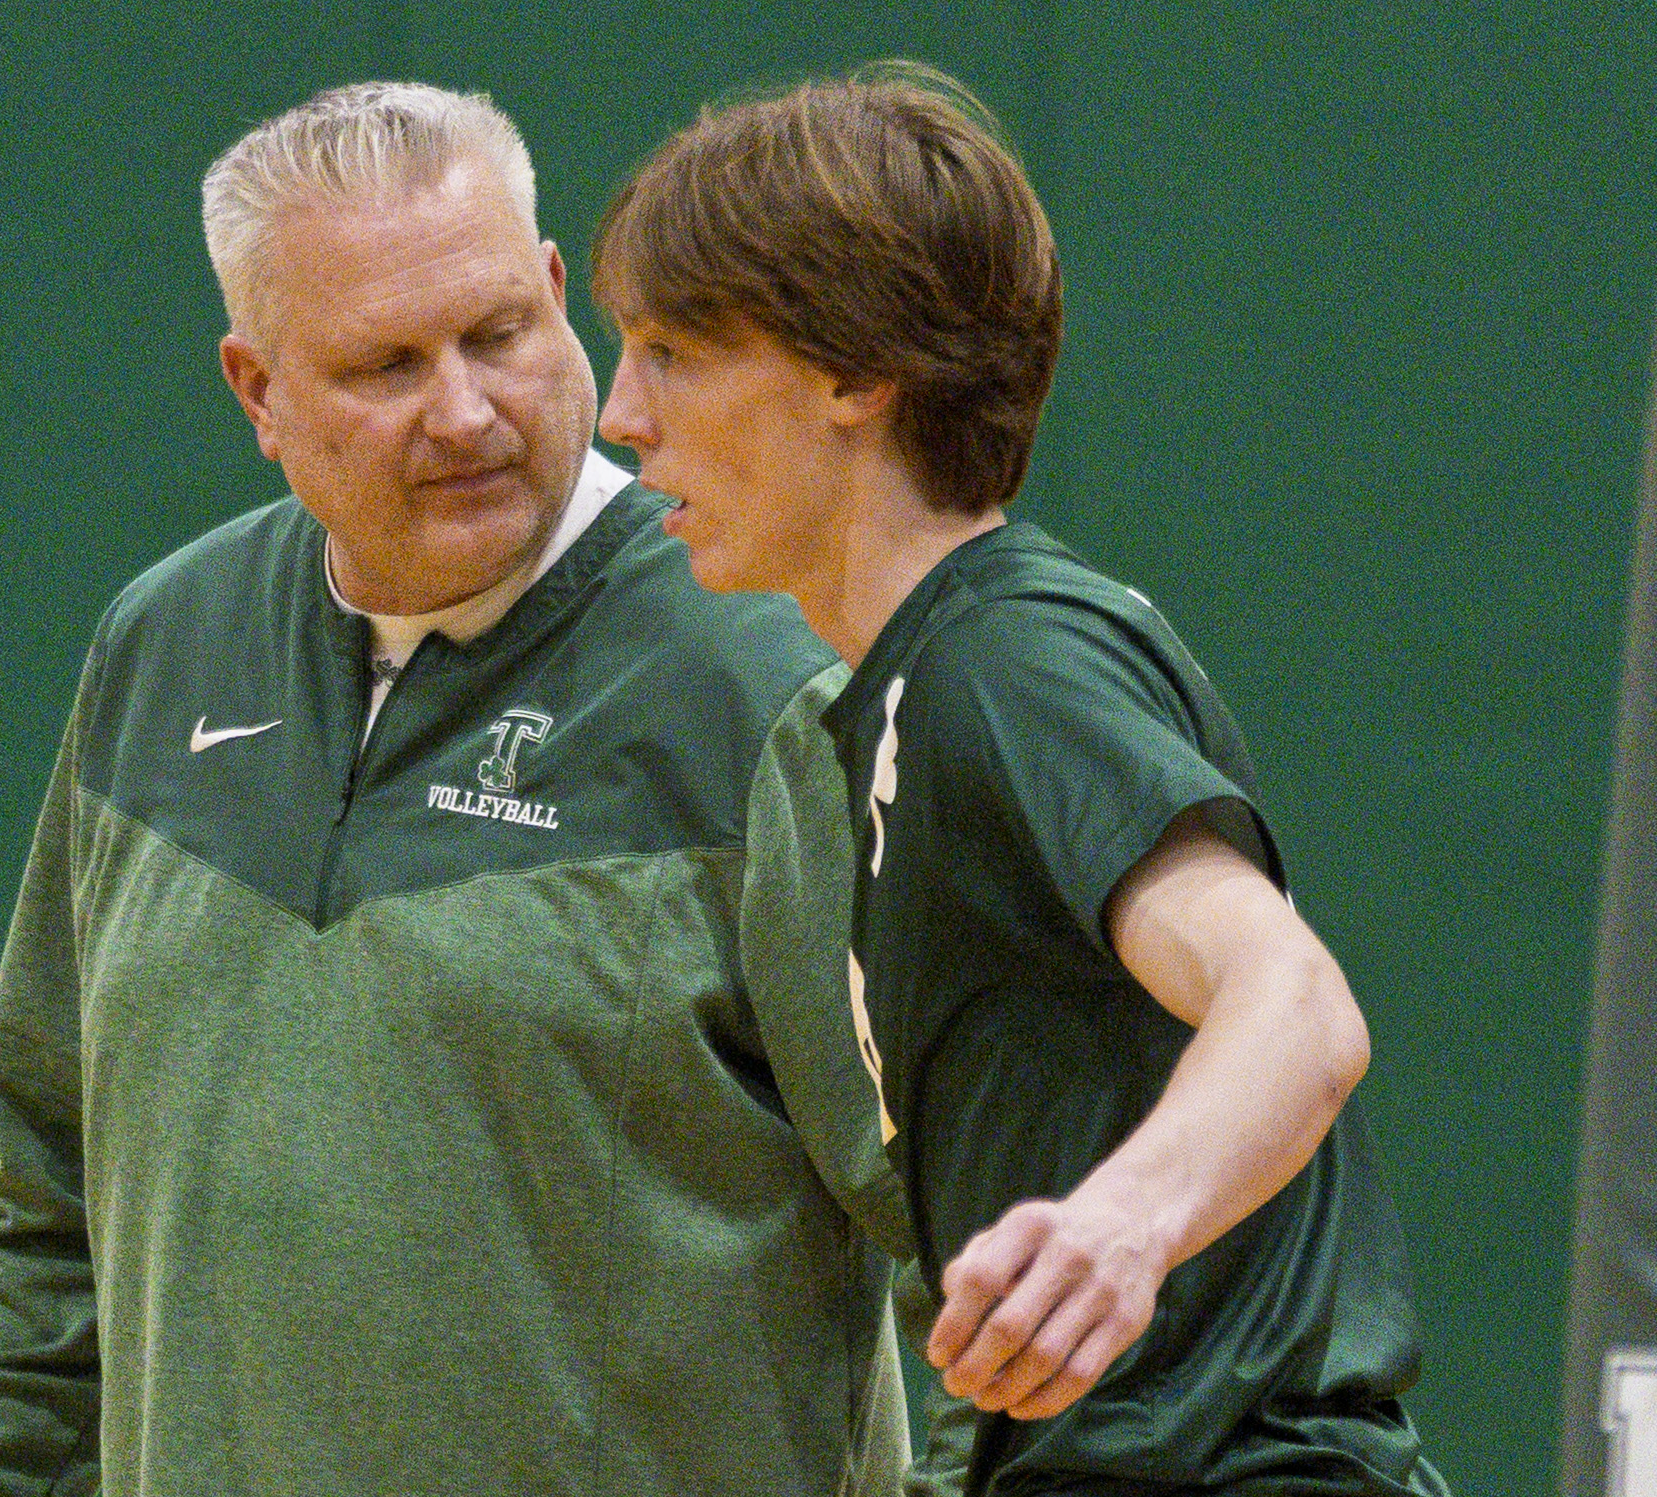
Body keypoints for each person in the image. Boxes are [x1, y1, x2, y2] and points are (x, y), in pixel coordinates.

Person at [0, 81, 969, 1497]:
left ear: (551, 294)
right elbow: (46, 1207)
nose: (464, 410)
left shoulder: (776, 677)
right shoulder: (166, 643)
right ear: (256, 389)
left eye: (498, 335)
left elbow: (990, 1241)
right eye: (386, 366)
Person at [591, 62, 1451, 1495]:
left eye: (676, 349)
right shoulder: (922, 686)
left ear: (852, 371)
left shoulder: (1000, 664)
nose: (622, 411)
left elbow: (1293, 1000)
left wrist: (1119, 1223)